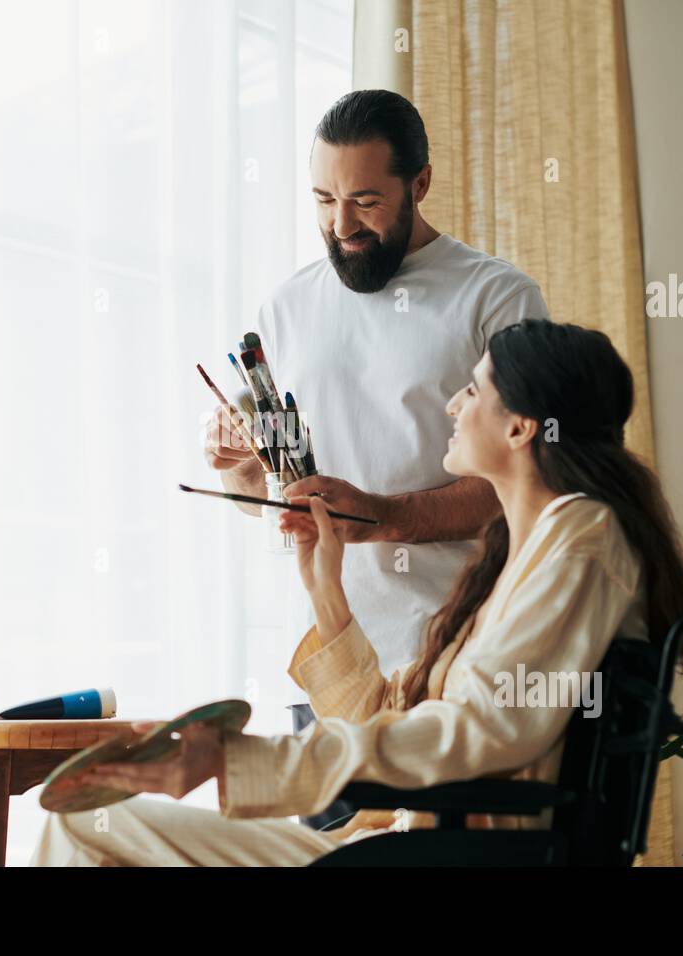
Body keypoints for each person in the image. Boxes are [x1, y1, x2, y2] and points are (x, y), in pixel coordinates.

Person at [32, 320, 683, 866]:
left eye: (472, 392)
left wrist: (237, 761)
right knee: (94, 822)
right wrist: (326, 588)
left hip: (445, 856)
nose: (453, 404)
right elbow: (398, 711)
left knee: (90, 829)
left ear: (520, 427)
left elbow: (483, 729)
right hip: (393, 842)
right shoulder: (517, 555)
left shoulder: (581, 540)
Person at [203, 91, 549, 827]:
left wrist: (384, 517)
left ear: (419, 184)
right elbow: (261, 489)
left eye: (365, 200)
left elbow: (523, 481)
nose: (341, 225)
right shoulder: (287, 309)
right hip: (331, 666)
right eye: (324, 199)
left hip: (458, 668)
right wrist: (232, 460)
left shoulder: (496, 296)